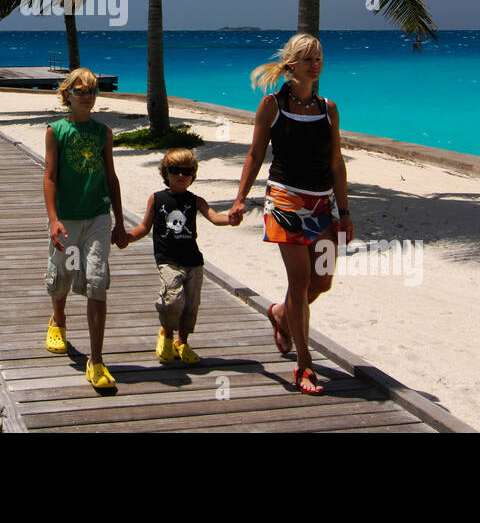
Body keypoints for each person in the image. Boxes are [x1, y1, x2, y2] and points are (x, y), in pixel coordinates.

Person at [228, 33, 353, 395]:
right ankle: (304, 366)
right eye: (310, 59)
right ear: (293, 65)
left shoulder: (328, 108)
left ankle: (281, 314)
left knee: (323, 281)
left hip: (321, 204)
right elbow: (254, 155)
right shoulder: (272, 105)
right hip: (284, 201)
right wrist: (240, 198)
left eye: (320, 58)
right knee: (299, 282)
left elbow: (336, 162)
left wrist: (343, 211)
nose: (317, 64)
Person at [43, 68, 126, 389]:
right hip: (67, 217)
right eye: (80, 91)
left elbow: (112, 178)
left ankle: (96, 360)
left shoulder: (103, 132)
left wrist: (119, 220)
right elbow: (49, 177)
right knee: (61, 275)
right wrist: (53, 219)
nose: (87, 96)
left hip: (97, 217)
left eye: (92, 91)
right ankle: (59, 320)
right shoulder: (56, 131)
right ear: (68, 95)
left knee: (96, 281)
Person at [121, 149, 236, 365]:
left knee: (191, 306)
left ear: (193, 175)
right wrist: (126, 237)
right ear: (166, 173)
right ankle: (166, 334)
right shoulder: (157, 199)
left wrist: (230, 219)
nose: (181, 176)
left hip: (193, 260)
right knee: (172, 300)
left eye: (187, 171)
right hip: (168, 260)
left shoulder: (195, 200)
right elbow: (145, 228)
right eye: (175, 171)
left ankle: (182, 342)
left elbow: (214, 217)